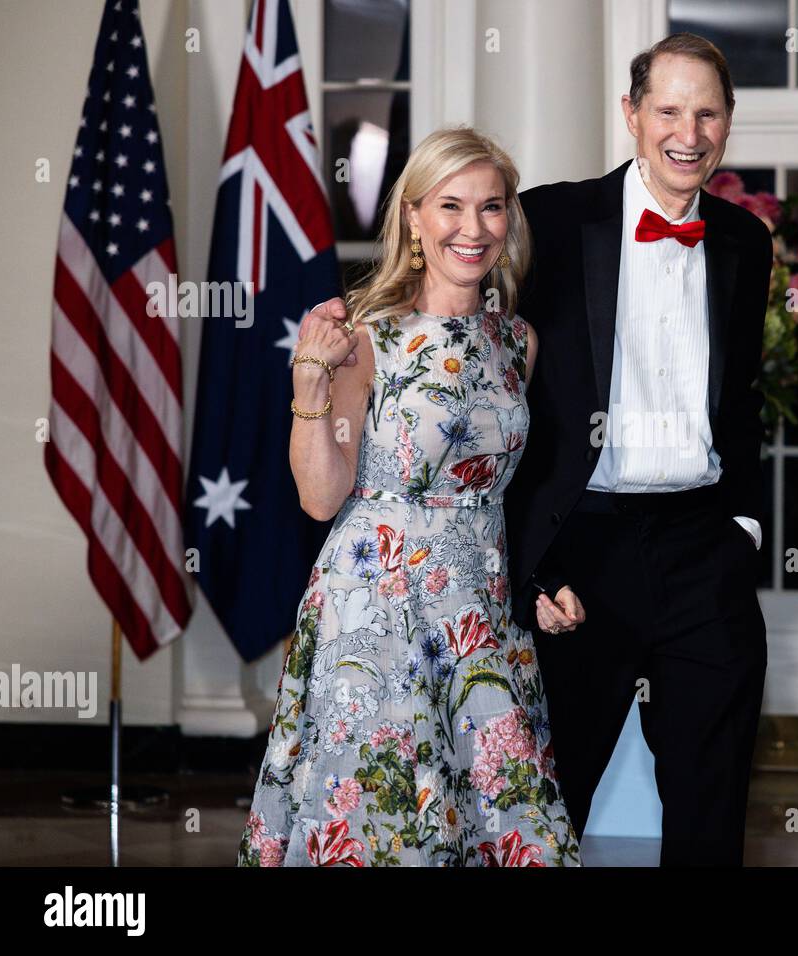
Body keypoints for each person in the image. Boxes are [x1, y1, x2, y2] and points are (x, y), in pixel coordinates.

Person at [308, 32, 773, 867]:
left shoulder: (746, 239)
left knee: (713, 805)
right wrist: (530, 569)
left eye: (707, 113)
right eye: (669, 110)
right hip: (581, 552)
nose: (689, 133)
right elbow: (467, 335)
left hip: (706, 552)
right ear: (631, 114)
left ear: (729, 121)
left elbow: (741, 396)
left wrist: (743, 528)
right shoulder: (550, 221)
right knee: (541, 806)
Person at [236, 127, 581, 867]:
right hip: (379, 610)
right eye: (451, 205)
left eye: (492, 206)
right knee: (387, 824)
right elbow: (321, 499)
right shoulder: (367, 337)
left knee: (513, 821)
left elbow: (522, 490)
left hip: (483, 613)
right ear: (414, 217)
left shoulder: (518, 341)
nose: (473, 227)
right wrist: (309, 383)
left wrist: (540, 581)